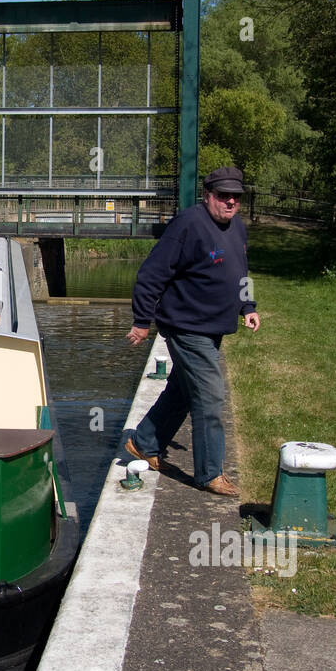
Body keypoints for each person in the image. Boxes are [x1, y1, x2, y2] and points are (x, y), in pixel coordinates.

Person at [124, 166, 260, 496]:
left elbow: (240, 272)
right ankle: (210, 474)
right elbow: (151, 275)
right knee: (211, 396)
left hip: (213, 326)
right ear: (207, 195)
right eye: (223, 196)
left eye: (236, 197)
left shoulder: (236, 227)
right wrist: (142, 321)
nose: (230, 202)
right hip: (187, 326)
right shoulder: (188, 224)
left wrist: (248, 306)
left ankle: (143, 443)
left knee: (184, 391)